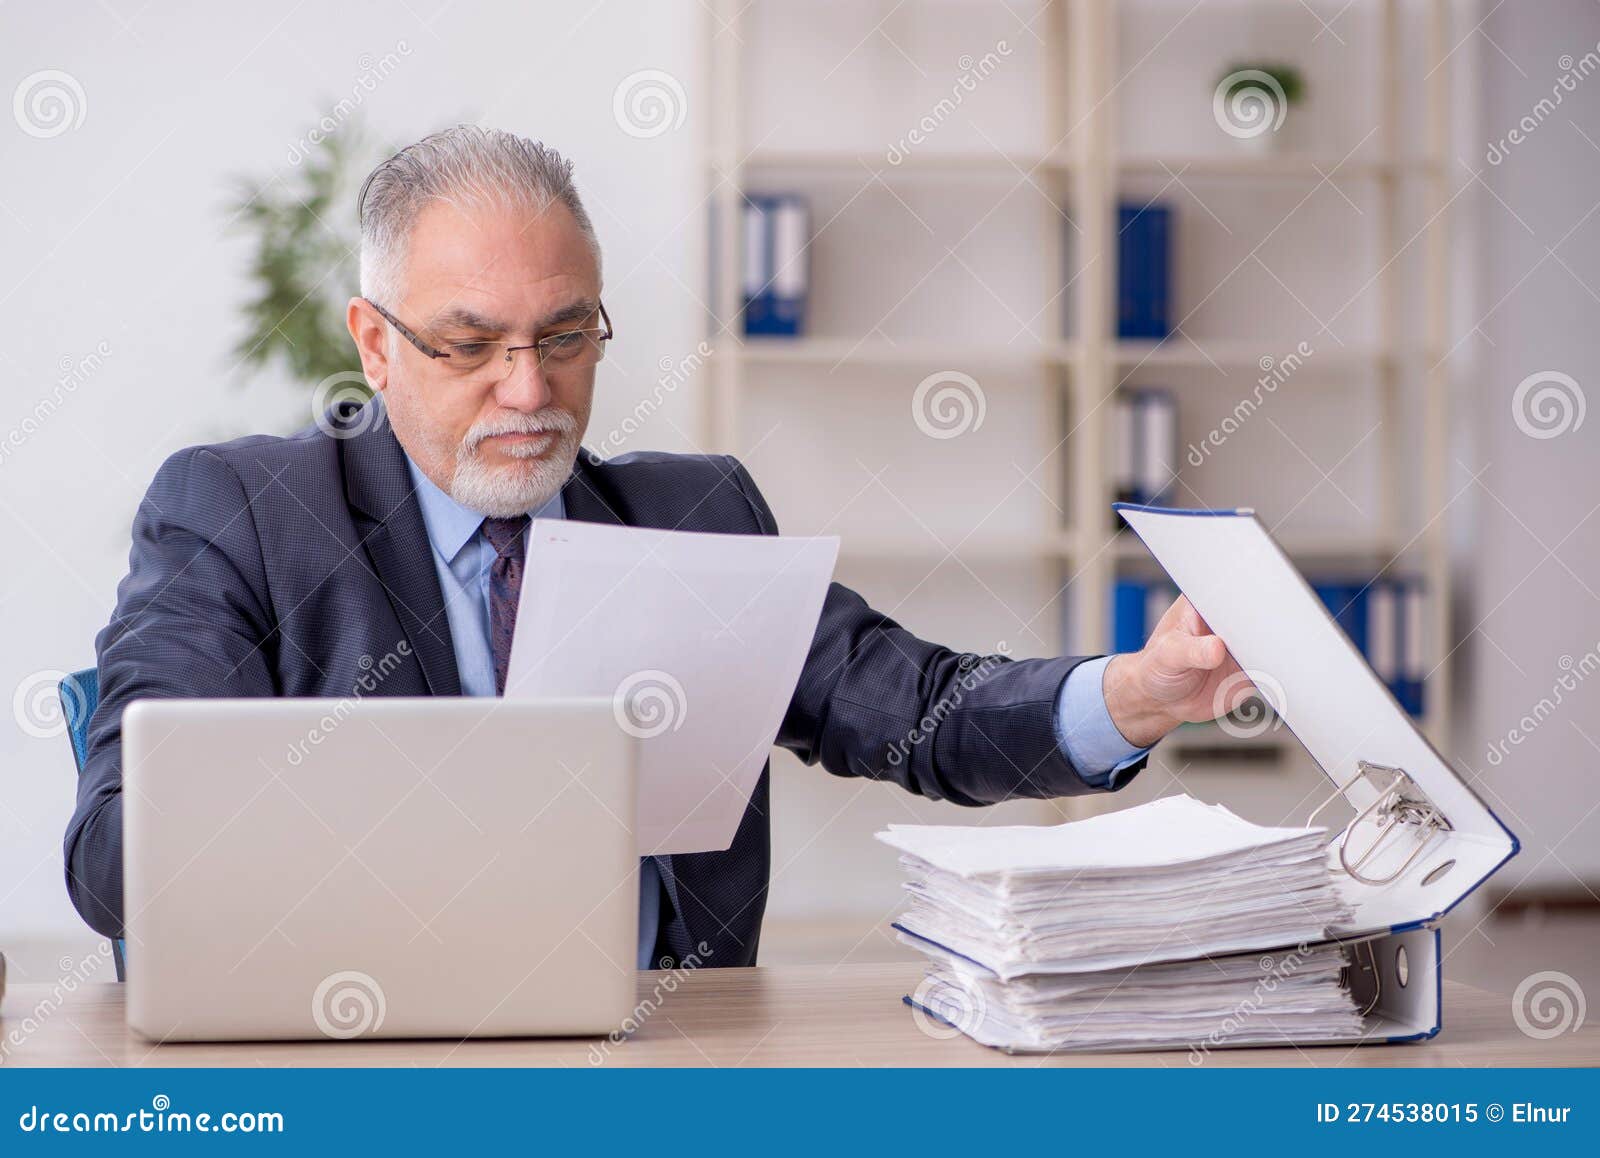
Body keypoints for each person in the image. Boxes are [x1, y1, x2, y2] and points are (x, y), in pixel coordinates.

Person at [65, 126, 1244, 969]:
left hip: (665, 1062)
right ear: (373, 345)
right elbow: (117, 859)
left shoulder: (696, 515)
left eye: (564, 334)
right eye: (469, 345)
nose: (527, 388)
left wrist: (1136, 692)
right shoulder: (242, 512)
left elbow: (913, 710)